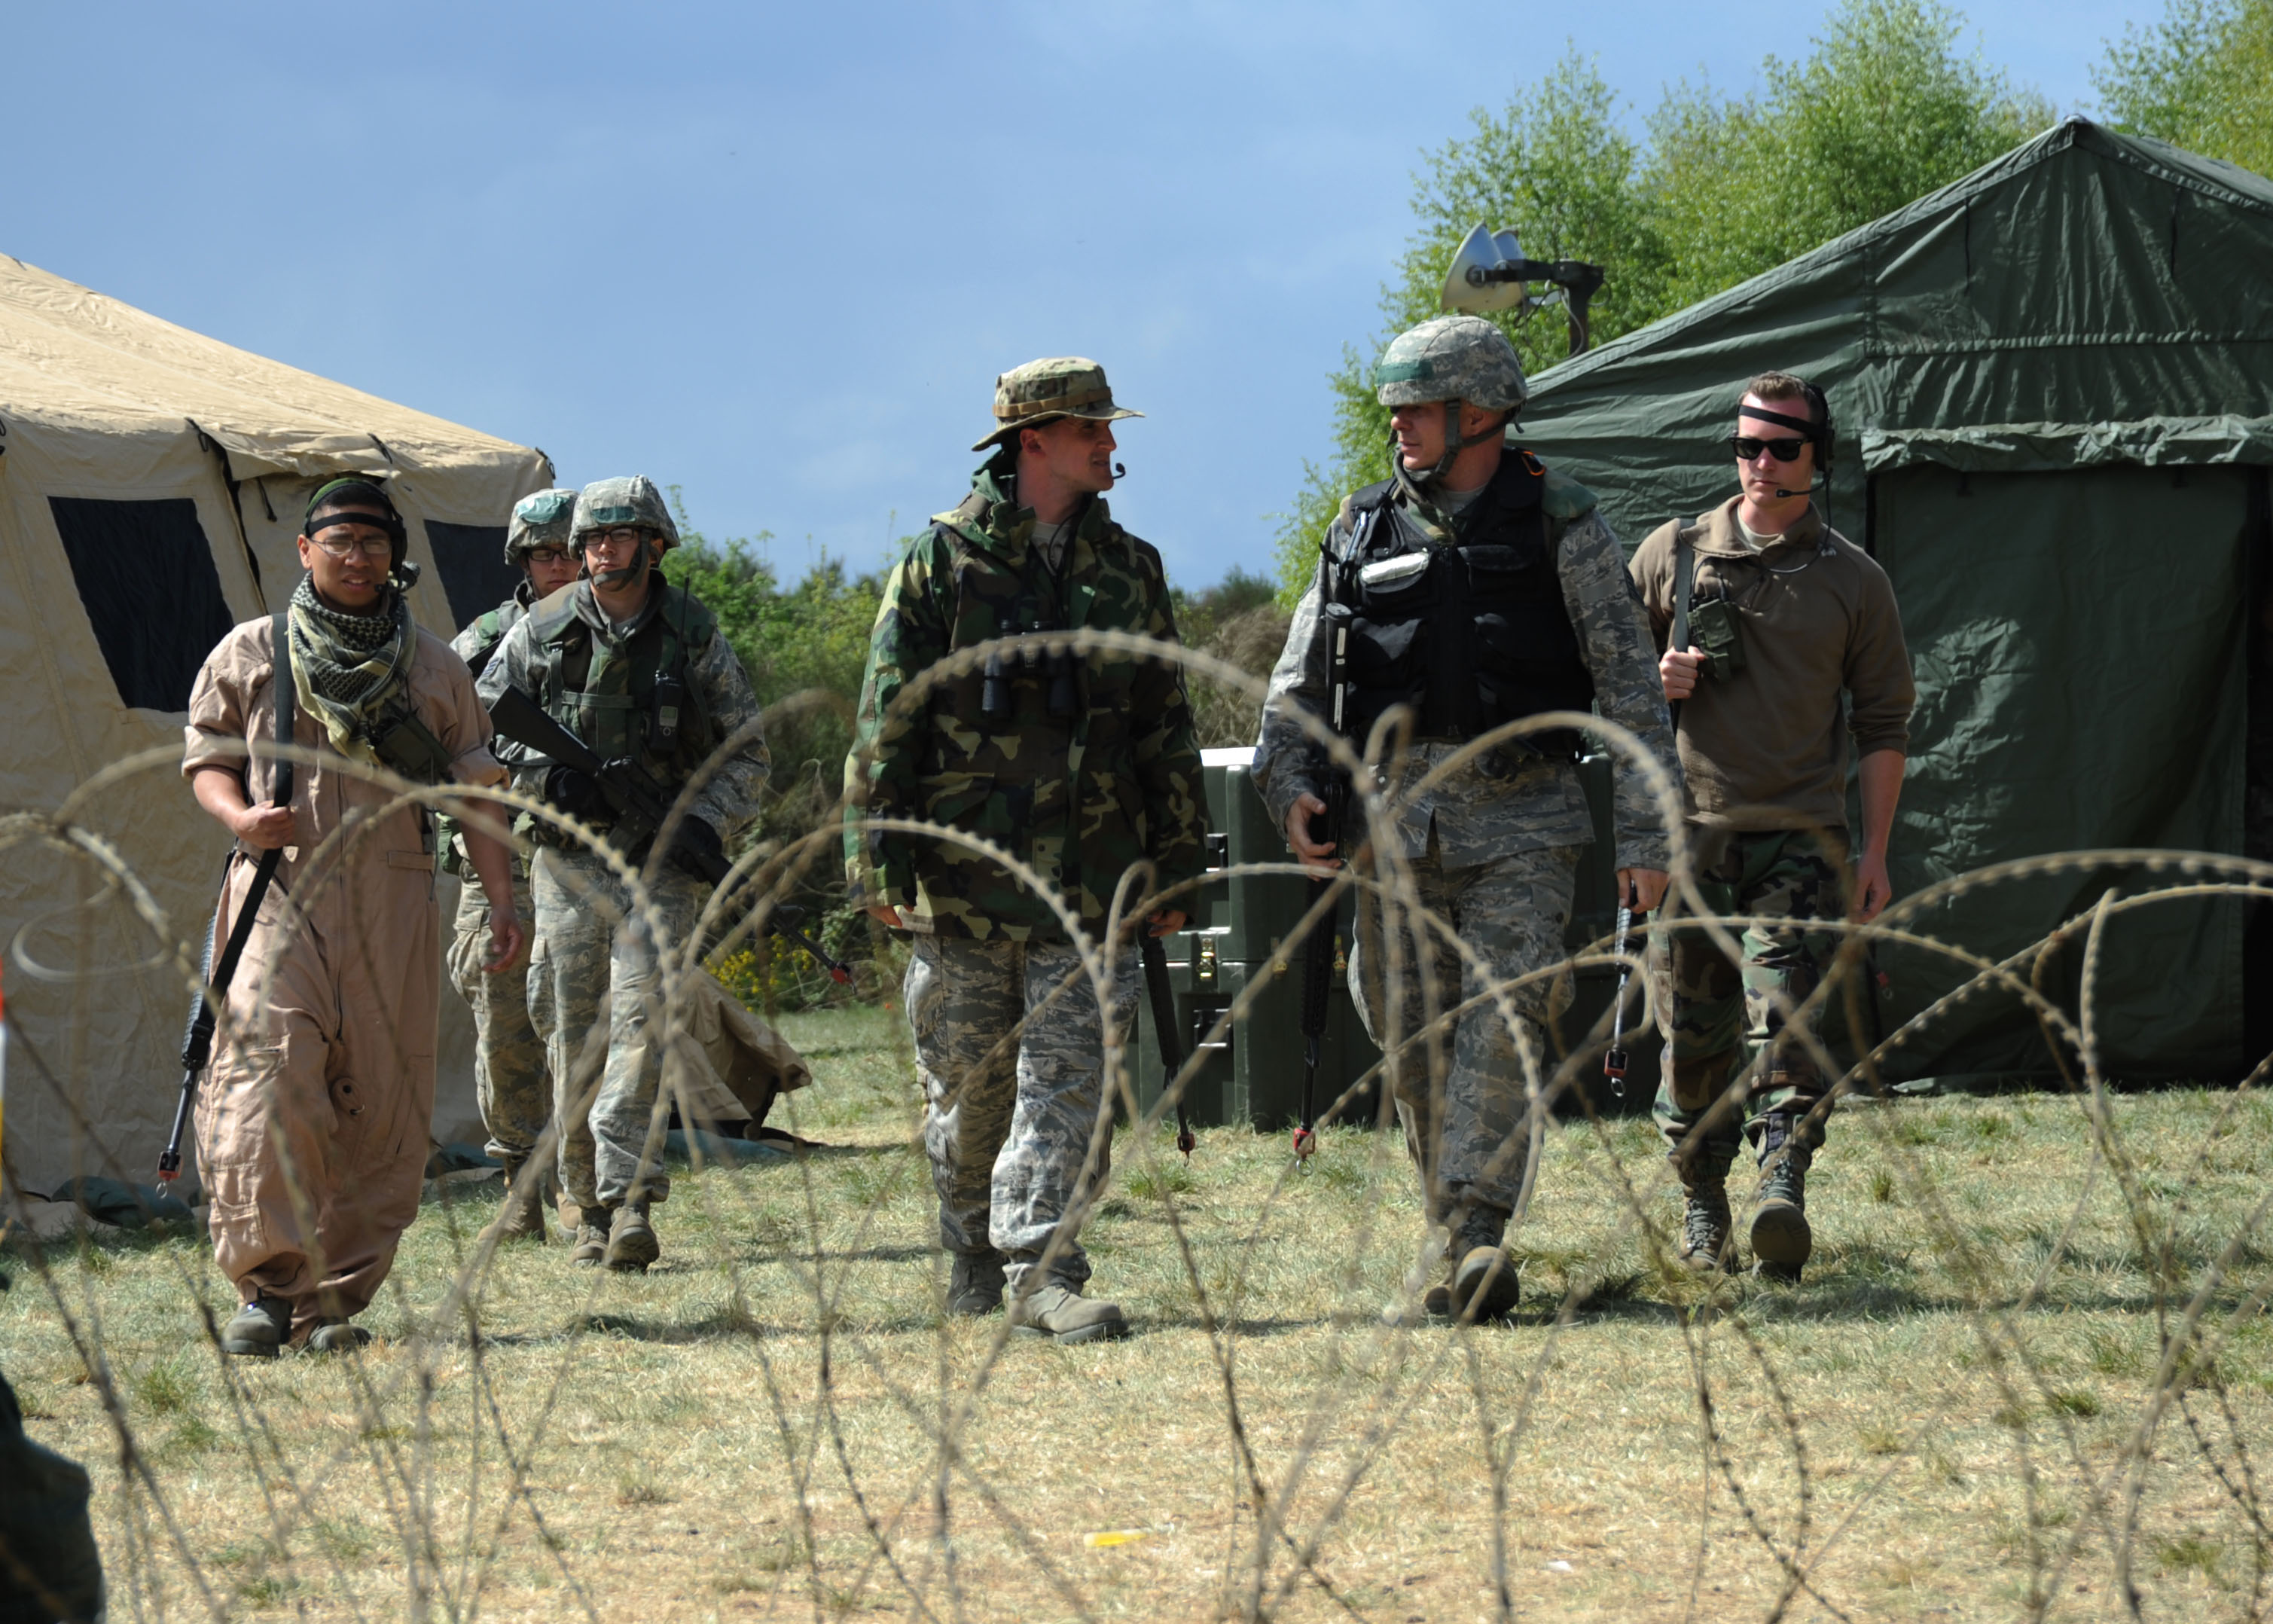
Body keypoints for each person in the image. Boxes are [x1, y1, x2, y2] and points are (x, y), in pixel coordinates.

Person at [1254, 316, 1678, 1323]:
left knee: (1499, 1026)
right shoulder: (1356, 530)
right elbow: (1294, 691)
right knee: (1407, 1039)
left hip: (1524, 828)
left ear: (1476, 413)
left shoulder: (1561, 524)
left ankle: (1467, 1237)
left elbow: (1629, 688)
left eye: (1416, 408)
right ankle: (1454, 1231)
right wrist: (1288, 788)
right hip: (1388, 836)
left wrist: (1647, 839)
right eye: (1394, 409)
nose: (1397, 427)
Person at [846, 357, 1204, 1344]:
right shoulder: (939, 564)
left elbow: (1163, 724)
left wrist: (1178, 862)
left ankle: (1043, 1267)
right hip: (962, 881)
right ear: (1032, 440)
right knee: (971, 1099)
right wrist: (877, 862)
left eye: (1107, 426)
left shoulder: (1129, 569)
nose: (1110, 444)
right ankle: (969, 1249)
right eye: (1092, 429)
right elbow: (886, 722)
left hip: (1094, 879)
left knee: (1071, 1080)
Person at [184, 476, 523, 1356]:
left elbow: (478, 795)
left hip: (394, 896)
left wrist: (502, 899)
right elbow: (209, 760)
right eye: (339, 542)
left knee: (383, 1099)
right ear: (305, 551)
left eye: (373, 544)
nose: (357, 557)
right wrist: (241, 818)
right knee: (266, 1075)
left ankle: (334, 1302)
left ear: (393, 557)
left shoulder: (435, 665)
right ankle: (268, 1290)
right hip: (277, 892)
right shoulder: (254, 651)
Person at [1628, 371, 1914, 1281]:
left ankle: (1779, 1180)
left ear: (1815, 460)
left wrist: (1873, 852)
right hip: (1690, 841)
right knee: (1695, 1037)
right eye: (1747, 446)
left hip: (1802, 839)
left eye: (1780, 448)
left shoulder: (1853, 581)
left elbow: (1883, 726)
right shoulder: (1673, 554)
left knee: (1788, 1020)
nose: (1759, 464)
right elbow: (1608, 696)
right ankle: (1703, 1202)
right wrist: (1656, 683)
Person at [477, 475, 768, 1273]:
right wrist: (547, 777)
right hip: (570, 861)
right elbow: (482, 729)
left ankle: (632, 1195)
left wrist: (702, 825)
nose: (603, 552)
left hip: (661, 867)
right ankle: (590, 1213)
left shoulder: (692, 633)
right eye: (592, 540)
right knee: (573, 1034)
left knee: (641, 1027)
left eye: (619, 537)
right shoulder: (538, 631)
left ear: (655, 544)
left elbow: (748, 751)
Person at [444, 487, 581, 1242]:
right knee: (503, 1021)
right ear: (521, 560)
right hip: (498, 852)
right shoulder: (483, 642)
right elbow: (445, 751)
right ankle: (520, 1183)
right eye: (544, 553)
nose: (560, 566)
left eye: (570, 550)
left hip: (584, 855)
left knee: (582, 1015)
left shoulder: (617, 635)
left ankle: (578, 1181)